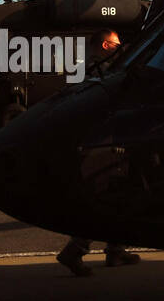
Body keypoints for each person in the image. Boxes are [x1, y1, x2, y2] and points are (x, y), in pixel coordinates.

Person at [56, 28, 141, 276]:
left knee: (121, 195)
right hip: (103, 144)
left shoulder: (86, 69)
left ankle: (116, 250)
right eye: (117, 44)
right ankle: (75, 250)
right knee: (103, 198)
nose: (120, 48)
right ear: (106, 46)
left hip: (107, 141)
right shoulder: (99, 70)